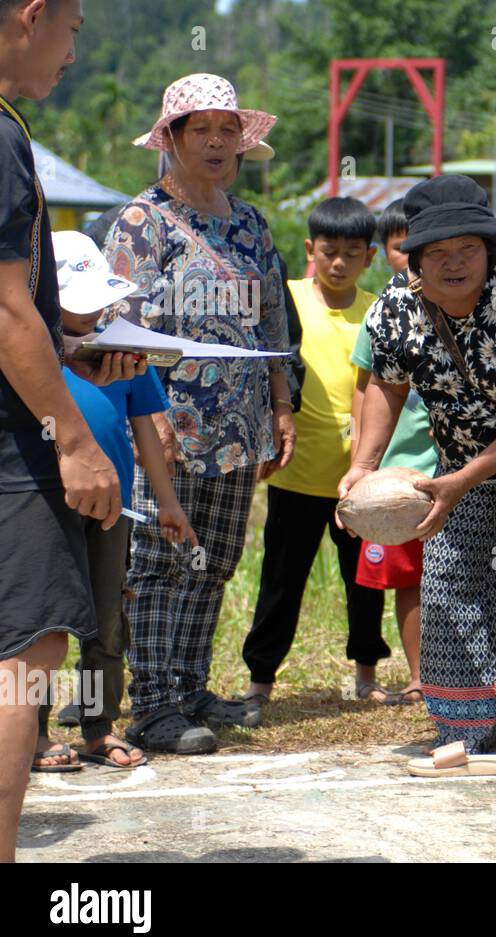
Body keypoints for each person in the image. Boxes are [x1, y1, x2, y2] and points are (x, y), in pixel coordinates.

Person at [339, 175, 496, 785]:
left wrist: (460, 481)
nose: (455, 262)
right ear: (415, 259)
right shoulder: (395, 307)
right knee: (455, 584)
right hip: (457, 464)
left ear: (489, 248)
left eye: (468, 248)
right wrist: (363, 467)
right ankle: (471, 726)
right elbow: (386, 385)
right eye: (438, 252)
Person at [102, 72, 292, 754]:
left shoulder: (249, 223)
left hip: (239, 427)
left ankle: (189, 686)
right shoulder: (141, 223)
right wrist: (144, 418)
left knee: (213, 560)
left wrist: (279, 404)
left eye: (227, 130)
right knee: (159, 560)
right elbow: (115, 327)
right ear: (172, 139)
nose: (216, 142)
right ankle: (151, 706)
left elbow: (272, 322)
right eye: (200, 130)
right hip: (164, 425)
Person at [0, 0, 145, 862]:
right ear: (32, 13)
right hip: (11, 449)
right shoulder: (4, 136)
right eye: (76, 28)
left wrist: (68, 347)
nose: (74, 50)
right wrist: (74, 435)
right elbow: (5, 306)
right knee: (28, 646)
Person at [36, 231, 198, 771]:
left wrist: (168, 503)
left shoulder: (125, 349)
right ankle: (32, 735)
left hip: (114, 509)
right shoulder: (27, 352)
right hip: (44, 505)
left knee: (105, 621)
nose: (87, 313)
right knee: (41, 622)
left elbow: (146, 430)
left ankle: (96, 726)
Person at [241, 197, 389, 708]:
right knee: (281, 584)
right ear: (310, 249)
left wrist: (366, 467)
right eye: (329, 251)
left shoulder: (378, 310)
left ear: (369, 257)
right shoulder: (286, 301)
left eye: (352, 253)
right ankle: (260, 681)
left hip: (358, 482)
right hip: (294, 477)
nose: (339, 263)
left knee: (365, 582)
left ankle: (366, 676)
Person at [349, 198, 431, 706]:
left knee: (456, 574)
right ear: (387, 252)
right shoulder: (382, 315)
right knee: (406, 578)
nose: (412, 256)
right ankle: (420, 674)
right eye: (403, 246)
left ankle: (467, 673)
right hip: (395, 477)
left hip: (449, 473)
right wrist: (363, 464)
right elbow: (365, 389)